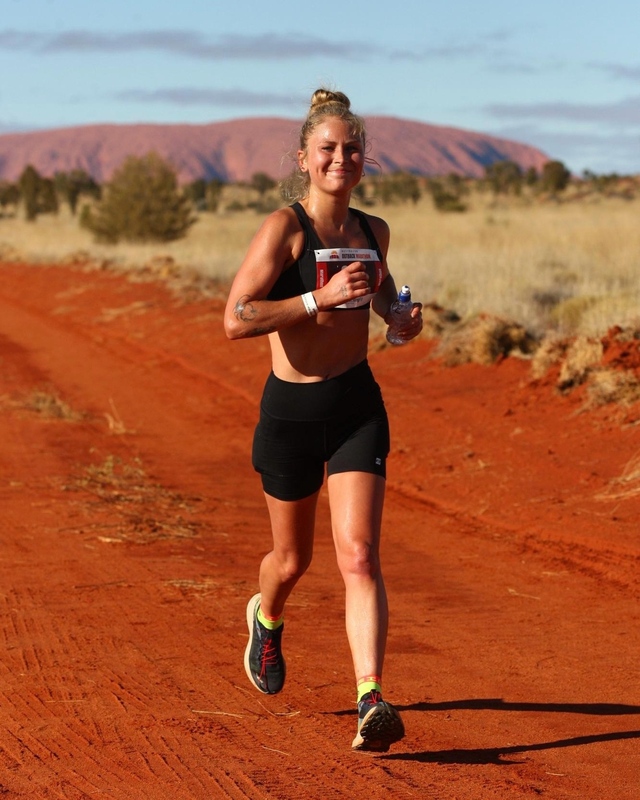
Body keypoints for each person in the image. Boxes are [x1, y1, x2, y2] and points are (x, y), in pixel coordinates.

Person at [224, 88, 423, 752]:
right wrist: (317, 298)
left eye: (352, 148)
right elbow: (236, 318)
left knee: (360, 555)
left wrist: (398, 318)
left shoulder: (373, 231)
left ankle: (371, 697)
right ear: (305, 159)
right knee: (291, 559)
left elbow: (385, 293)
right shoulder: (285, 230)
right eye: (329, 149)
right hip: (291, 411)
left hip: (354, 405)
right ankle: (267, 617)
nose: (342, 158)